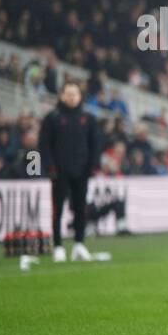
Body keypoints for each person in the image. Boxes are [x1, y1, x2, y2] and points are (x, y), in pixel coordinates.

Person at [40, 80, 100, 262]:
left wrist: (93, 166)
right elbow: (43, 145)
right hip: (59, 171)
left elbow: (95, 144)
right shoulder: (52, 118)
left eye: (75, 94)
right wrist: (48, 166)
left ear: (80, 97)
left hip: (81, 170)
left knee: (80, 208)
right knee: (58, 209)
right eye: (69, 94)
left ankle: (79, 244)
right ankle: (58, 245)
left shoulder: (88, 118)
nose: (72, 97)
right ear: (62, 95)